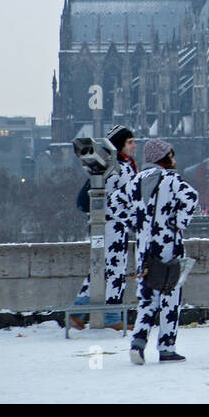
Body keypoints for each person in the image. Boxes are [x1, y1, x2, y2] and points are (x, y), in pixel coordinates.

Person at [113, 138, 198, 364]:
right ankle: (166, 347)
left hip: (144, 250)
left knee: (147, 298)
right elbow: (191, 198)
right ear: (164, 158)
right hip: (168, 248)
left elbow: (114, 204)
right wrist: (179, 222)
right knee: (170, 297)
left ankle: (138, 343)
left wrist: (135, 223)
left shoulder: (137, 181)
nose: (174, 159)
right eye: (172, 155)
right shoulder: (171, 180)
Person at [70, 124, 137, 331]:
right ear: (120, 145)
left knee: (98, 269)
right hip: (115, 226)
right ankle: (112, 316)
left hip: (102, 224)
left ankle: (79, 313)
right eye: (130, 142)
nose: (134, 146)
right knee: (115, 270)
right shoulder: (121, 168)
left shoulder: (106, 166)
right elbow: (130, 198)